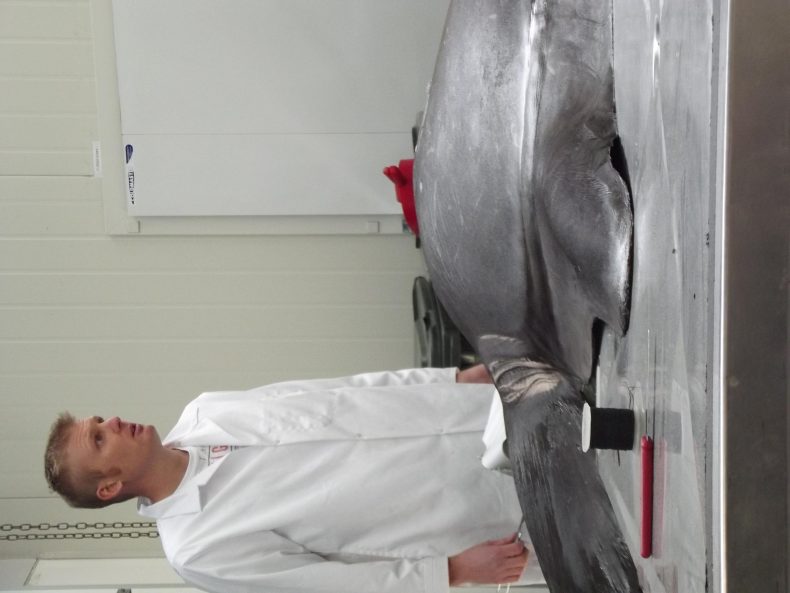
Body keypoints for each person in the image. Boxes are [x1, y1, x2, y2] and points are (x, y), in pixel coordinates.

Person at [44, 365, 543, 593]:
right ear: (108, 486)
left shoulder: (204, 410)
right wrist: (453, 571)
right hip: (478, 510)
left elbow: (336, 393)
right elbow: (330, 584)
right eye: (99, 440)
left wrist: (449, 380)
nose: (111, 423)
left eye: (99, 422)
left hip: (477, 410)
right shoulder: (196, 548)